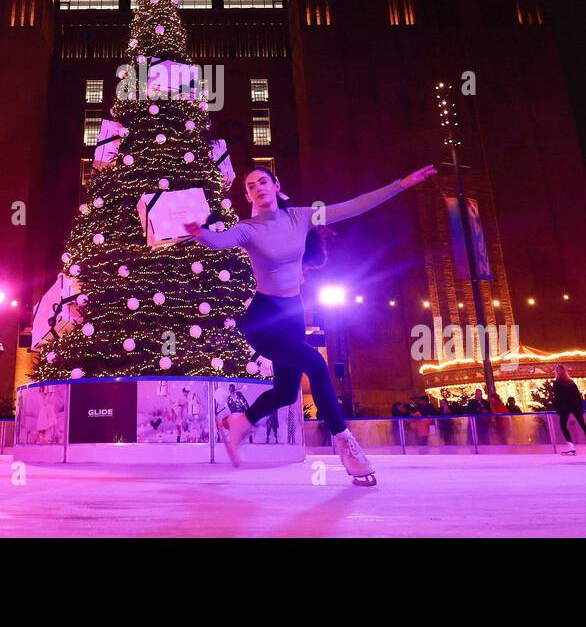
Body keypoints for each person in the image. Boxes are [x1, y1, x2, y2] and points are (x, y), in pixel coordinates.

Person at [186, 163, 436, 486]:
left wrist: (401, 183)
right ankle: (345, 444)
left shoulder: (301, 216)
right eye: (250, 186)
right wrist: (199, 233)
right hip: (263, 320)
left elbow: (351, 207)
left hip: (292, 313)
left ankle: (238, 424)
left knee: (286, 392)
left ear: (276, 185)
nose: (258, 188)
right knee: (316, 363)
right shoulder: (248, 228)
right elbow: (219, 241)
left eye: (263, 181)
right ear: (248, 195)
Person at [551, 364, 586, 455]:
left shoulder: (557, 383)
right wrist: (580, 407)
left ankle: (571, 446)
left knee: (563, 426)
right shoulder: (571, 382)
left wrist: (558, 409)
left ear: (556, 372)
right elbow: (577, 396)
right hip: (575, 406)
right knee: (583, 425)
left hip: (565, 407)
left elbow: (557, 397)